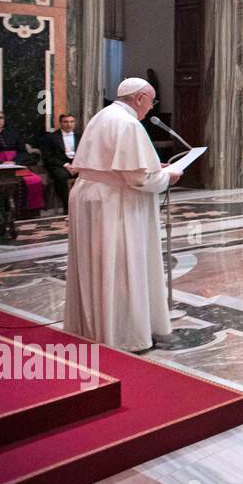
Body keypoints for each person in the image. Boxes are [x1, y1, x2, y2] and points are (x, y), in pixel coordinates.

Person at [62, 79, 184, 352]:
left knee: (98, 264)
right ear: (140, 98)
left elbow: (119, 166)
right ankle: (123, 333)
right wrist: (168, 175)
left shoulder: (103, 116)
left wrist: (154, 168)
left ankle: (93, 326)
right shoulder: (128, 123)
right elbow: (139, 179)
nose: (151, 108)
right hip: (115, 204)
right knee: (120, 266)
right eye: (150, 101)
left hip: (91, 195)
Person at [0, 110, 44, 211]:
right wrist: (1, 163)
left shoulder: (13, 134)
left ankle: (26, 212)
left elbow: (23, 152)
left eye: (0, 118)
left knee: (34, 181)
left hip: (15, 165)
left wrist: (14, 162)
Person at [40, 112, 78, 210]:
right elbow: (48, 158)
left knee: (90, 175)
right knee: (61, 176)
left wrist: (77, 166)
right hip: (59, 165)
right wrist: (65, 165)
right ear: (60, 123)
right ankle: (68, 206)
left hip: (76, 165)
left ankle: (83, 204)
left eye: (71, 121)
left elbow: (86, 153)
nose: (69, 124)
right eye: (65, 122)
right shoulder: (51, 137)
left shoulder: (80, 136)